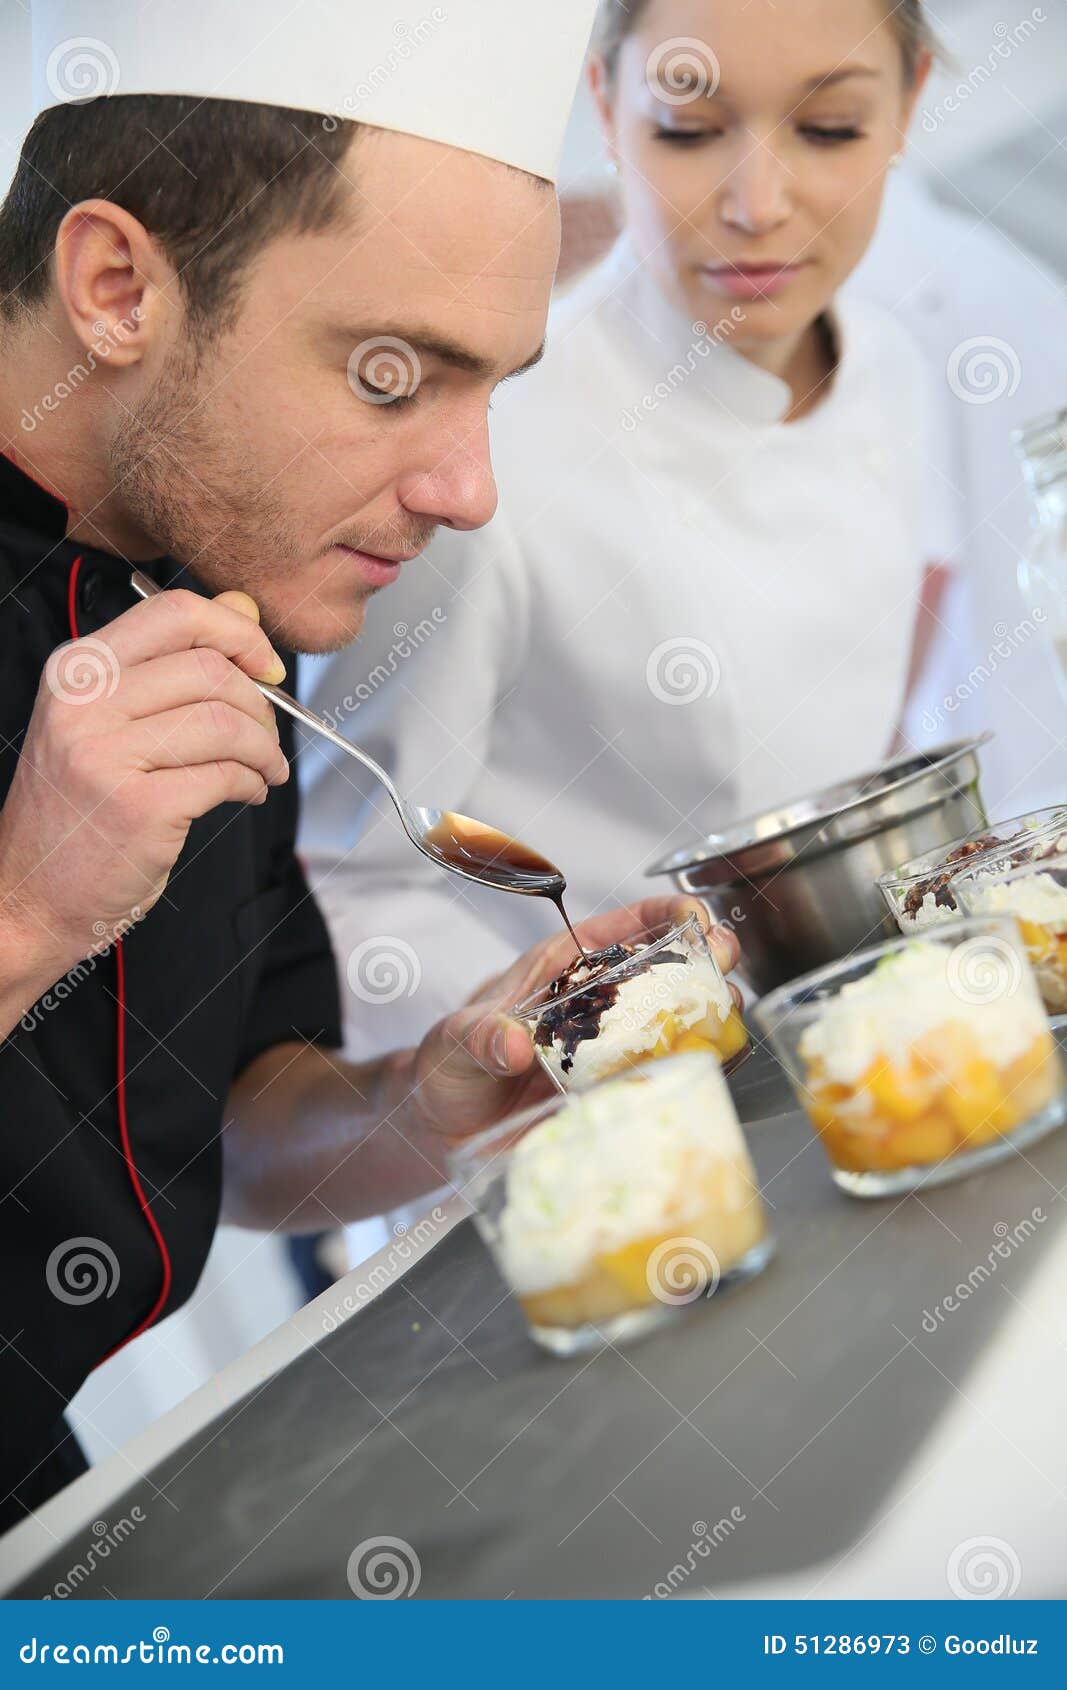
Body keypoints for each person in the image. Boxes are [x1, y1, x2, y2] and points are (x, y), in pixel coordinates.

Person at [0, 0, 745, 1531]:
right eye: (396, 375)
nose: (468, 490)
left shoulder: (210, 565)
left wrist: (434, 1098)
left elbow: (245, 1118)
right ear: (117, 285)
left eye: (496, 390)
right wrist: (24, 916)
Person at [298, 0, 946, 1099]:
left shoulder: (895, 371)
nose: (755, 205)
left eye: (828, 129)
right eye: (687, 132)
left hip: (843, 1056)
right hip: (591, 1130)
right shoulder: (492, 457)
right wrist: (582, 1045)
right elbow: (350, 881)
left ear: (909, 104)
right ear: (603, 108)